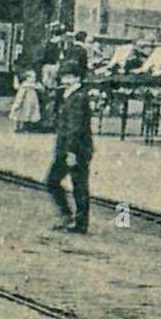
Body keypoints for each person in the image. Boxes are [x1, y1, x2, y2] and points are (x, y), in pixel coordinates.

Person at [47, 68, 92, 234]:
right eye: (64, 76)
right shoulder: (68, 95)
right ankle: (68, 216)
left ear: (78, 78)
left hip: (76, 149)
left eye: (70, 76)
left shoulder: (78, 98)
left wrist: (72, 152)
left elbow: (76, 127)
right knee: (55, 181)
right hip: (66, 148)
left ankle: (78, 222)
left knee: (77, 185)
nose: (66, 80)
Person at [10, 68, 43, 133]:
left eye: (34, 77)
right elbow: (20, 96)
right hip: (25, 103)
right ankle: (20, 127)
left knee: (31, 114)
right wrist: (17, 104)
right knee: (23, 114)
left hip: (32, 103)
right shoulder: (25, 86)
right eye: (31, 77)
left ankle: (28, 127)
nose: (33, 79)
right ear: (27, 78)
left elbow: (40, 88)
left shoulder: (34, 86)